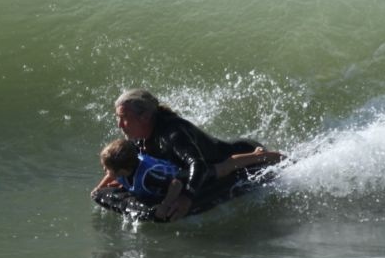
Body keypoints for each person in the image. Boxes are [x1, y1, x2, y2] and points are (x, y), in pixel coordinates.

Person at [110, 88, 285, 221]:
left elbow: (197, 165)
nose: (119, 125)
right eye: (117, 118)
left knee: (216, 167)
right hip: (214, 164)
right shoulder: (139, 137)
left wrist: (186, 197)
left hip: (241, 154)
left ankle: (266, 156)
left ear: (145, 117)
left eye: (123, 118)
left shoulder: (172, 132)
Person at [93, 138, 187, 221]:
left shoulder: (148, 176)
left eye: (107, 168)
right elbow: (111, 175)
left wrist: (164, 205)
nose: (104, 169)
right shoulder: (123, 170)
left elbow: (176, 183)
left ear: (121, 170)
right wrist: (99, 187)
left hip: (176, 182)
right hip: (146, 185)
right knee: (100, 193)